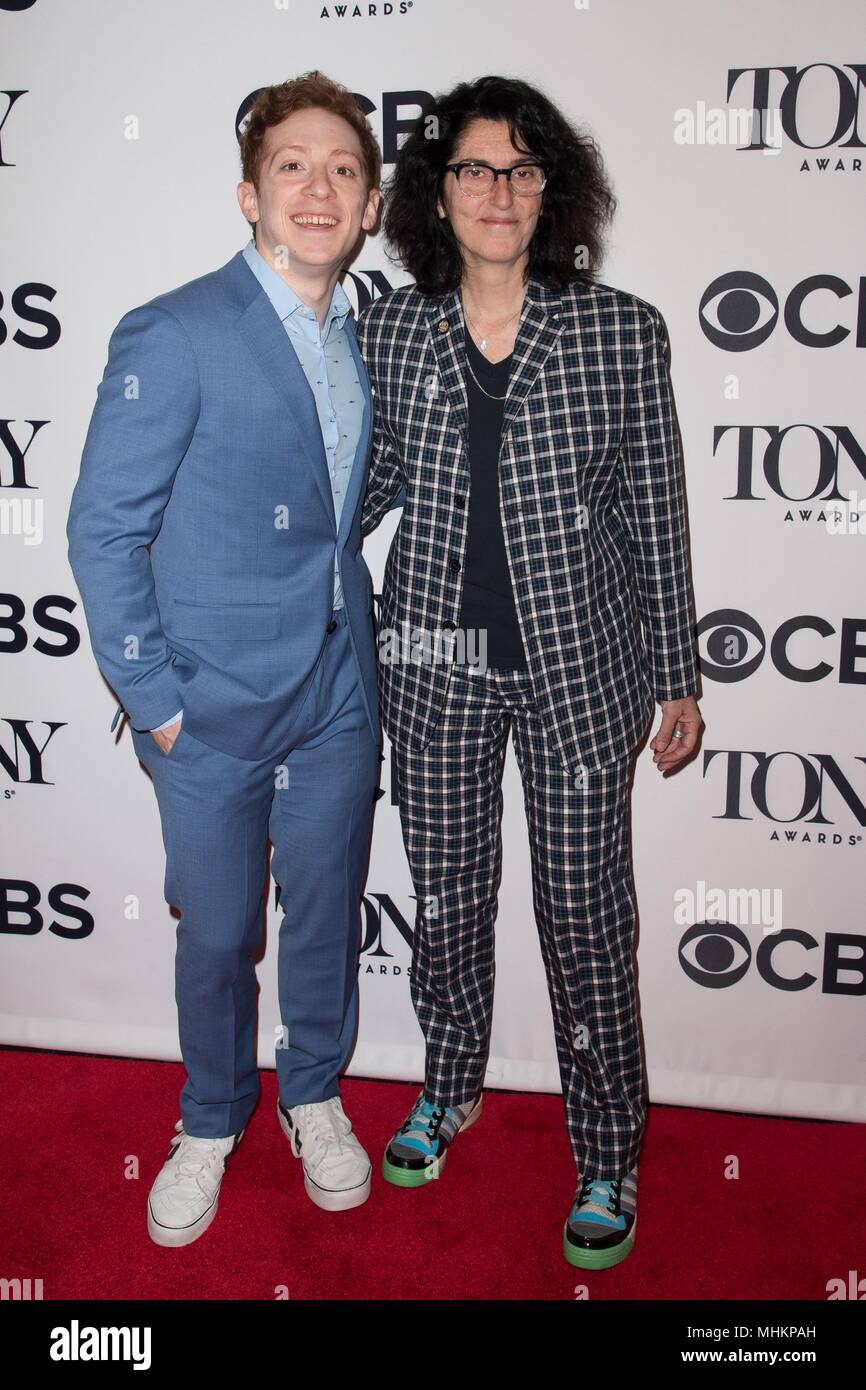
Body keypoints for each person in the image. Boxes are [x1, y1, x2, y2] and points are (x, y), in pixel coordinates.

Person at [357, 75, 703, 1269]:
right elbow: (372, 481)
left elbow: (654, 514)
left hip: (578, 671)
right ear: (434, 194)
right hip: (435, 663)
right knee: (445, 896)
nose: (495, 191)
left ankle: (606, 1146)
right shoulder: (388, 329)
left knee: (581, 916)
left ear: (549, 190)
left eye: (518, 170)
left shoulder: (622, 330)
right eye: (470, 169)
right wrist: (273, 552)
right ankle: (447, 1086)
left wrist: (678, 674)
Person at [67, 72, 383, 1246]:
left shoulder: (358, 337)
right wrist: (154, 703)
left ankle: (312, 1093)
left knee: (320, 916)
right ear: (247, 195)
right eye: (293, 165)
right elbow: (105, 529)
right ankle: (210, 1116)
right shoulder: (176, 328)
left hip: (339, 693)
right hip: (205, 706)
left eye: (342, 171)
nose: (318, 186)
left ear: (368, 207)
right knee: (214, 932)